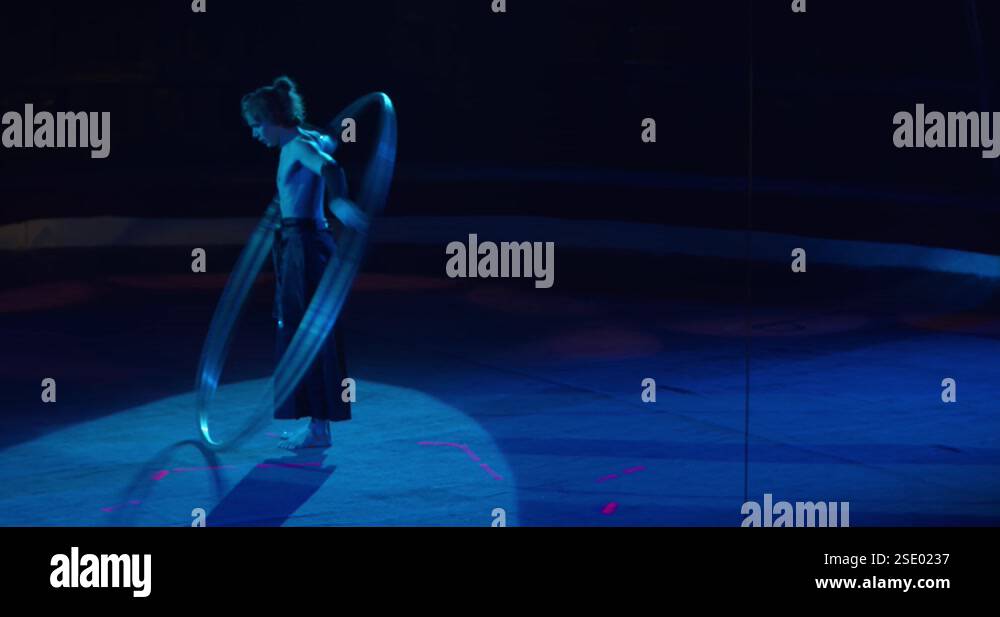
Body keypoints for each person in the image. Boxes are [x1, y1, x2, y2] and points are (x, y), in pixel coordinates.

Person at [241, 75, 368, 449]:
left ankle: (318, 427)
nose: (255, 134)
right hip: (302, 242)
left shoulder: (297, 146)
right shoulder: (304, 140)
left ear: (270, 118)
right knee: (303, 332)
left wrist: (341, 202)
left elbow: (330, 166)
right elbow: (329, 140)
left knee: (305, 334)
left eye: (256, 125)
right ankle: (316, 425)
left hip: (305, 245)